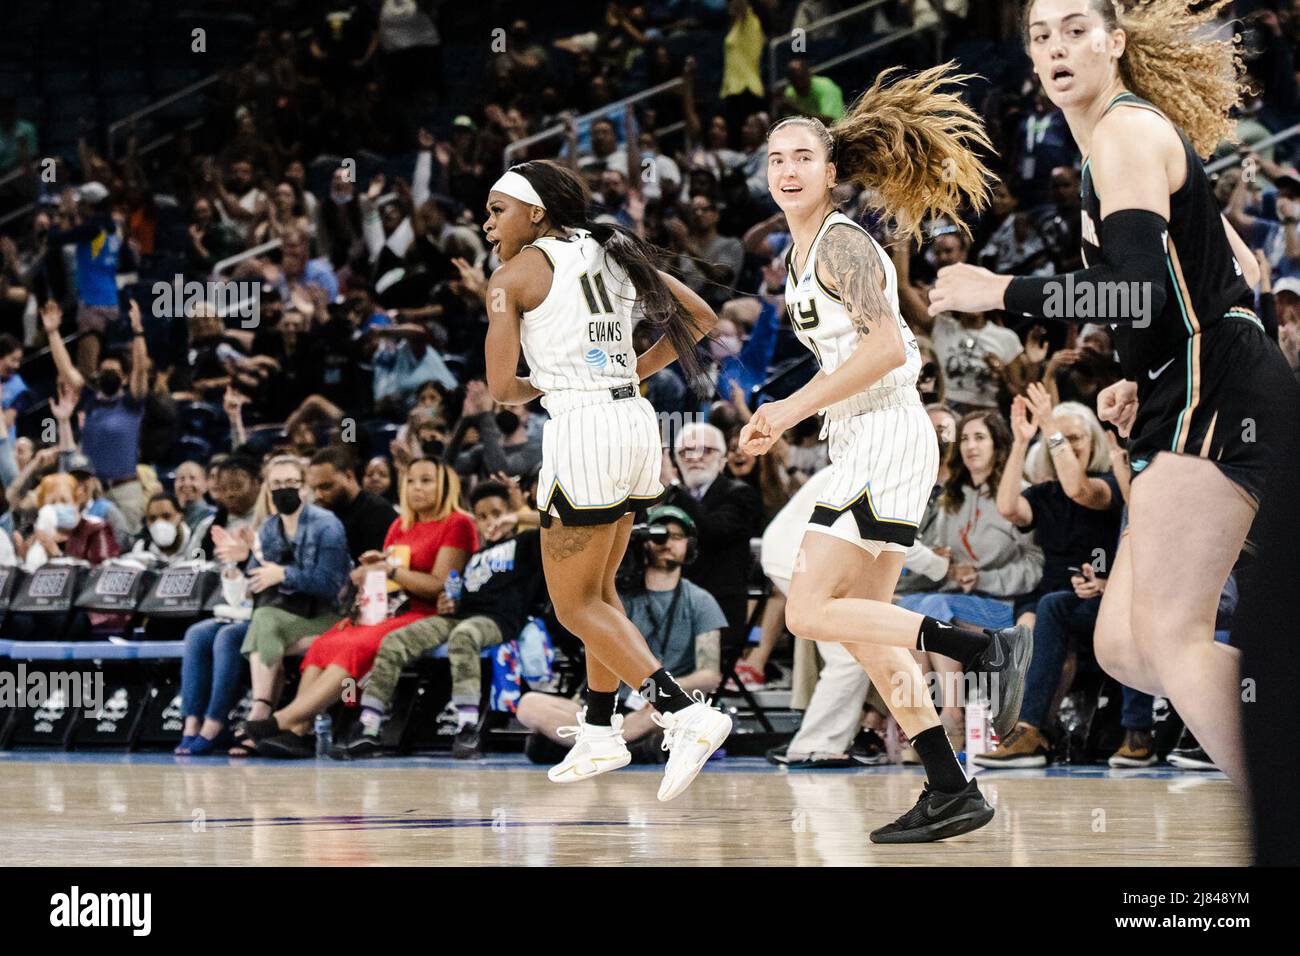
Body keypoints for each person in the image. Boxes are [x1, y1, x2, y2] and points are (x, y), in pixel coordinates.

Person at [928, 0, 1299, 783]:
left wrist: (999, 289)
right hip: (1196, 383)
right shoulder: (1120, 140)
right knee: (1123, 646)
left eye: (1075, 29)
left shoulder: (1127, 134)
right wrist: (1138, 368)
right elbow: (1246, 274)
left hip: (1215, 386)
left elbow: (1137, 294)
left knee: (1169, 638)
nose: (1056, 46)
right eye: (1040, 35)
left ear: (1115, 43)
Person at [738, 64, 1031, 843]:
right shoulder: (801, 257)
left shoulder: (842, 245)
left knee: (806, 611)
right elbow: (848, 356)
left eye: (804, 156)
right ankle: (950, 786)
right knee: (867, 631)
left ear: (833, 174)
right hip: (869, 437)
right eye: (777, 159)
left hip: (888, 434)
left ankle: (981, 644)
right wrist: (786, 417)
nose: (789, 169)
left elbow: (888, 353)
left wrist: (790, 406)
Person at [480, 158, 731, 802]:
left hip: (584, 429)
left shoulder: (510, 276)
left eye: (496, 208)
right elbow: (701, 317)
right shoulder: (610, 247)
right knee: (600, 595)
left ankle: (683, 713)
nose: (486, 223)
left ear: (535, 213)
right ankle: (597, 729)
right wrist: (630, 369)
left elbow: (503, 389)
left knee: (573, 605)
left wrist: (564, 380)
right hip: (635, 420)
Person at [235, 459, 476, 758]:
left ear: (446, 485)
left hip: (427, 614)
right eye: (411, 481)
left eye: (426, 481)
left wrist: (389, 571)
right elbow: (387, 575)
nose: (417, 488)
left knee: (355, 646)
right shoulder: (401, 525)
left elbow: (439, 585)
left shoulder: (458, 523)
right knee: (327, 644)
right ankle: (300, 730)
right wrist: (369, 571)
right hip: (388, 610)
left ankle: (283, 719)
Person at [333, 479, 545, 760]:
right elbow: (458, 593)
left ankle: (467, 726)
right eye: (482, 517)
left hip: (497, 620)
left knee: (464, 636)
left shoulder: (525, 543)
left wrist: (516, 517)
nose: (490, 522)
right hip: (458, 616)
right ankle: (368, 726)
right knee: (396, 640)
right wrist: (449, 601)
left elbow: (555, 523)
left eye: (496, 513)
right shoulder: (474, 556)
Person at [518, 505, 725, 771]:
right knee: (528, 705)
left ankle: (606, 743)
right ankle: (617, 743)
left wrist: (660, 692)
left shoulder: (700, 601)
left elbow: (710, 675)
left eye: (676, 536)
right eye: (659, 535)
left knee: (655, 715)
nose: (666, 543)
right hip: (613, 701)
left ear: (690, 544)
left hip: (653, 703)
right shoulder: (622, 594)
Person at [40, 298, 149, 534]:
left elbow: (140, 369)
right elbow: (67, 370)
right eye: (105, 371)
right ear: (98, 375)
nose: (109, 375)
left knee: (127, 541)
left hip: (125, 489)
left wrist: (138, 332)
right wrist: (53, 333)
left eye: (115, 372)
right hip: (93, 489)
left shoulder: (132, 403)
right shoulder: (90, 402)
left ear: (125, 378)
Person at [306, 446, 398, 560]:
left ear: (348, 476)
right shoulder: (321, 514)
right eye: (314, 489)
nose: (318, 495)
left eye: (326, 486)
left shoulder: (379, 512)